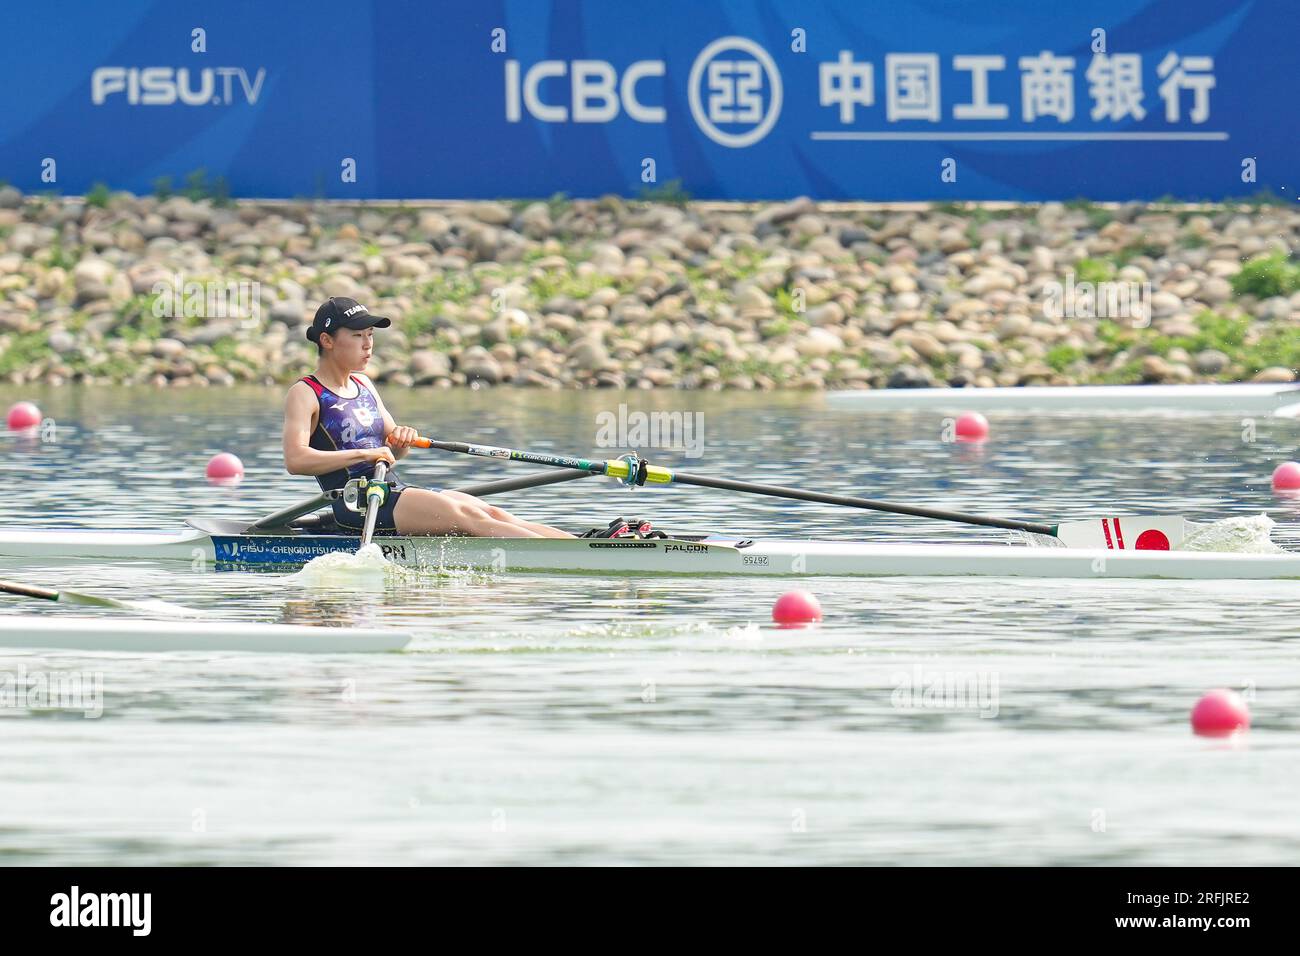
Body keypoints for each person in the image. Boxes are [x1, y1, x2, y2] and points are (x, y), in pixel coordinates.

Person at [282, 297, 574, 539]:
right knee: (467, 518)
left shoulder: (364, 386)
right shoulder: (306, 393)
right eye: (357, 336)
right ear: (327, 340)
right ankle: (569, 557)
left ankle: (584, 544)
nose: (368, 344)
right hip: (357, 505)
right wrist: (367, 453)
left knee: (490, 513)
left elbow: (393, 451)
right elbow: (296, 460)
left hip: (389, 490)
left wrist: (402, 439)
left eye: (370, 335)